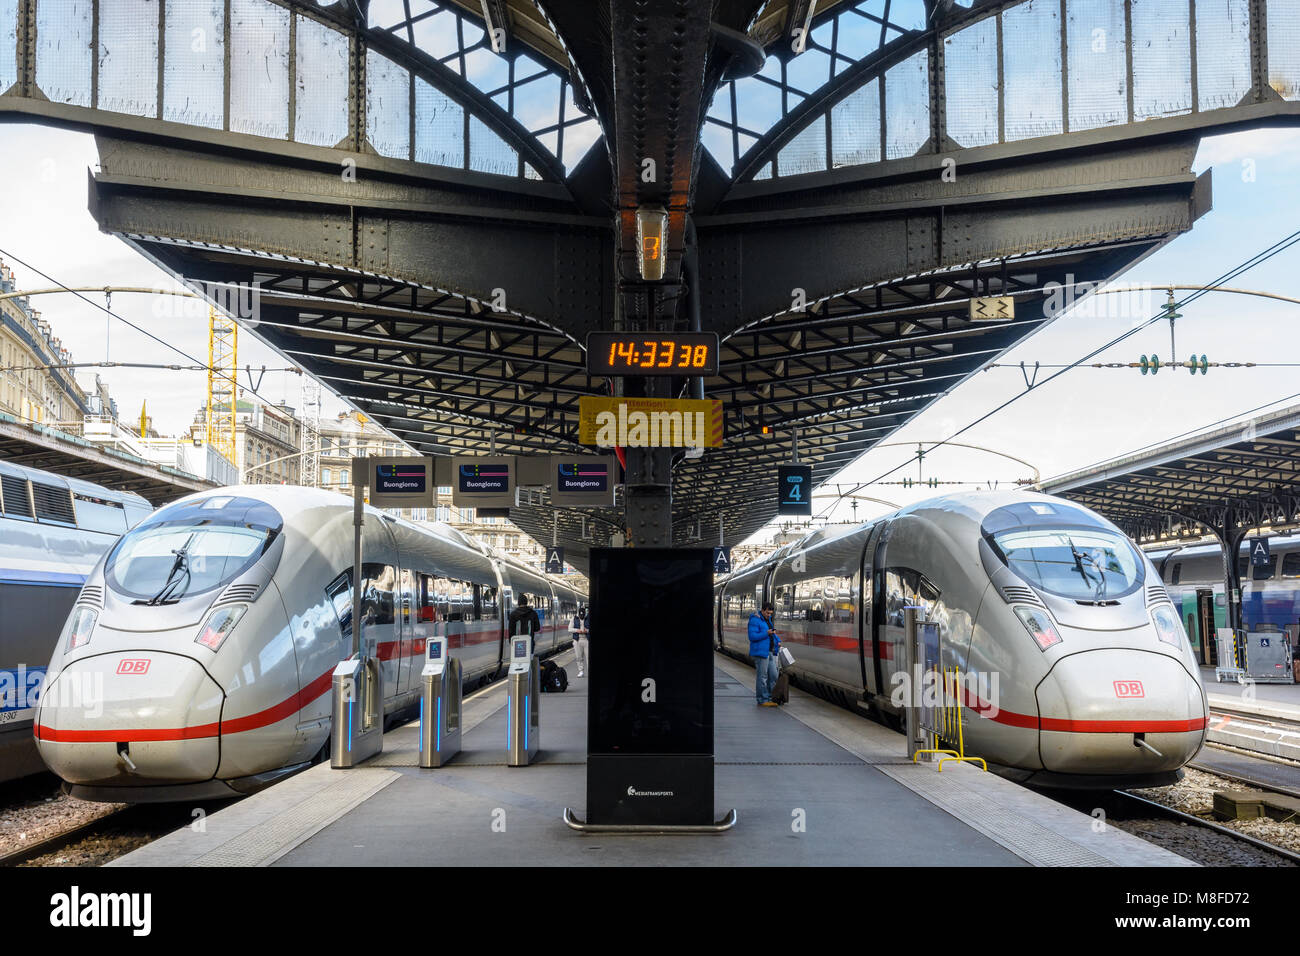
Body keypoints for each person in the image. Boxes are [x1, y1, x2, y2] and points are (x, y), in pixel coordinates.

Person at [748, 601, 781, 707]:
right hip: (760, 652)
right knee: (762, 677)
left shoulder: (767, 620)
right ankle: (762, 699)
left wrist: (777, 640)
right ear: (762, 610)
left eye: (770, 613)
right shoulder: (755, 620)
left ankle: (771, 697)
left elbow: (772, 634)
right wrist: (766, 633)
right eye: (767, 613)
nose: (769, 615)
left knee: (773, 675)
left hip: (770, 651)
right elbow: (752, 637)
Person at [570, 605, 589, 677]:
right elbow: (569, 629)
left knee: (588, 657)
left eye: (583, 615)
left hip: (587, 640)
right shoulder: (574, 619)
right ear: (578, 614)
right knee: (578, 657)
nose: (582, 616)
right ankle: (581, 671)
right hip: (577, 640)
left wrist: (587, 630)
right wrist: (577, 630)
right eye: (581, 615)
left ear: (585, 614)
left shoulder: (588, 618)